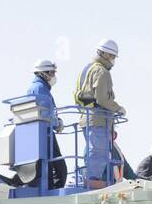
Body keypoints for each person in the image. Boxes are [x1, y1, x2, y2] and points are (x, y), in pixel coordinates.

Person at [73, 39, 127, 189]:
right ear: (106, 54)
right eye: (112, 56)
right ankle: (92, 181)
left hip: (86, 117)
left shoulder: (87, 69)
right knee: (99, 152)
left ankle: (88, 178)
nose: (113, 60)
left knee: (91, 151)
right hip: (98, 119)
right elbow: (103, 98)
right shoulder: (102, 72)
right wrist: (118, 108)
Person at [27, 58, 67, 190]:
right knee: (60, 170)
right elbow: (44, 113)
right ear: (44, 73)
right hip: (45, 132)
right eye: (52, 73)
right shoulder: (40, 89)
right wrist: (57, 123)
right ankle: (54, 193)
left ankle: (50, 189)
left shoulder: (36, 88)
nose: (54, 76)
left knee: (49, 168)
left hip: (38, 133)